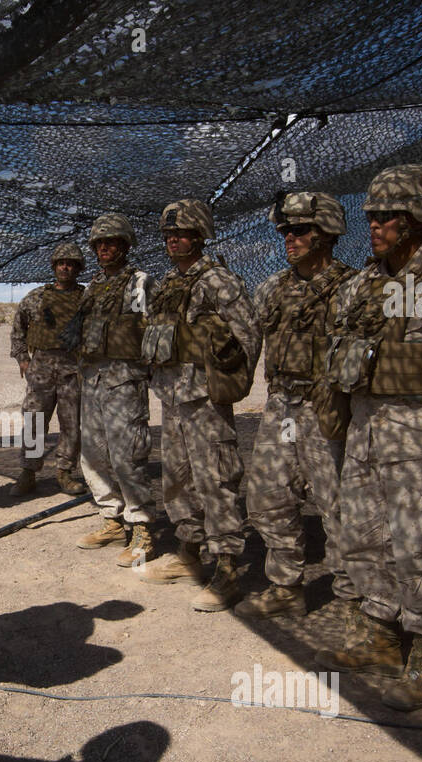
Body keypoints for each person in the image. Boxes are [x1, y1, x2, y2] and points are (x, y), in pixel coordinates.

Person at [316, 164, 422, 712]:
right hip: (366, 432)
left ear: (418, 218)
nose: (374, 223)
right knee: (364, 535)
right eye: (371, 215)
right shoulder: (361, 285)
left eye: (386, 215)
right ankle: (382, 631)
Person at [235, 192, 358, 618]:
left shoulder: (353, 289)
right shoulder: (272, 288)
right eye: (286, 230)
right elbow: (248, 343)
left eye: (300, 230)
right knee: (267, 497)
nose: (290, 237)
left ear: (327, 233)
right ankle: (287, 585)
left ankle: (353, 599)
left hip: (330, 409)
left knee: (338, 505)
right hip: (282, 405)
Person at [137, 199, 259, 611]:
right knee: (176, 478)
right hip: (172, 397)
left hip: (204, 398)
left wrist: (226, 383)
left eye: (183, 233)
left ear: (200, 236)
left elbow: (247, 334)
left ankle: (227, 568)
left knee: (216, 482)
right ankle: (189, 553)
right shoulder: (169, 282)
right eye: (169, 235)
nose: (174, 240)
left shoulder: (219, 280)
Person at [65, 214, 156, 567]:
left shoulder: (139, 283)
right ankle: (112, 519)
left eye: (112, 242)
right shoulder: (94, 288)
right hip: (93, 380)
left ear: (125, 245)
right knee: (92, 454)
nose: (105, 248)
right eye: (100, 244)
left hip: (124, 382)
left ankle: (142, 526)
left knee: (127, 456)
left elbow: (151, 330)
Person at [8, 242, 87, 497]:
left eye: (71, 263)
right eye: (61, 263)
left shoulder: (86, 299)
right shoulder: (36, 297)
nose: (66, 267)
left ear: (78, 268)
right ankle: (28, 472)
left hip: (72, 370)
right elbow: (18, 329)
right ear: (54, 266)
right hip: (40, 369)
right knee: (34, 422)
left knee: (71, 424)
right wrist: (23, 359)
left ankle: (64, 472)